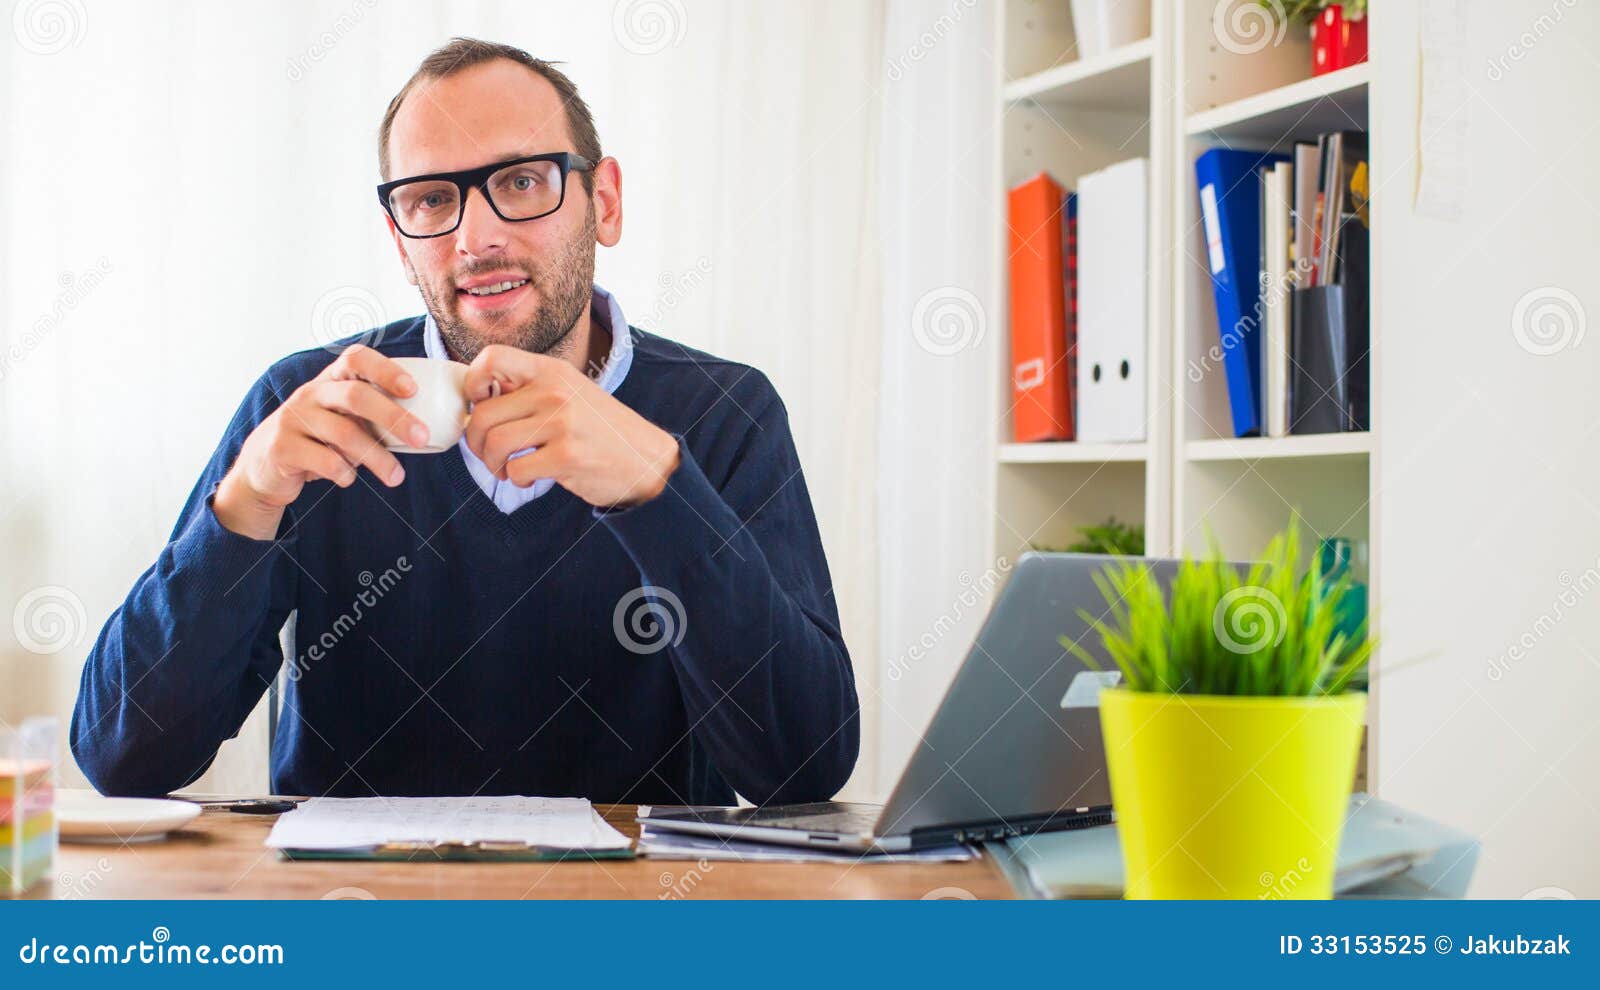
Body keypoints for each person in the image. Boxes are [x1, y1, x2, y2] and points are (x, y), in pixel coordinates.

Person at [69, 38, 859, 806]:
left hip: (630, 917)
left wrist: (659, 489)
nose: (475, 238)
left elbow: (803, 766)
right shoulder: (311, 407)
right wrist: (244, 508)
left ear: (605, 202)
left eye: (520, 182)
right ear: (399, 239)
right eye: (432, 200)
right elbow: (123, 758)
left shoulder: (724, 416)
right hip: (355, 913)